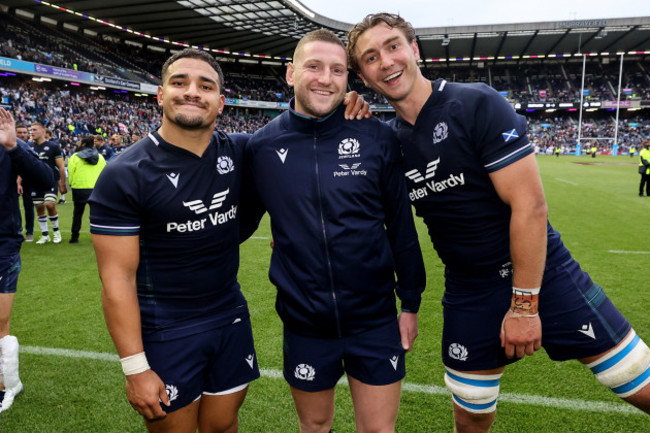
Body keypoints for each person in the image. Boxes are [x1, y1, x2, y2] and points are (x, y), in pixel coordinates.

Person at [347, 13, 650, 433]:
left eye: (393, 46)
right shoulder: (388, 140)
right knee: (470, 415)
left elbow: (530, 207)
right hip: (468, 289)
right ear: (363, 76)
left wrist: (524, 306)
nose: (386, 61)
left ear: (414, 50)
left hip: (544, 275)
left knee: (635, 380)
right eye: (371, 57)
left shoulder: (475, 102)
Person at [242, 29, 426, 433]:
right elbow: (237, 225)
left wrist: (409, 302)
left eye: (337, 70)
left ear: (348, 79)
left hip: (375, 320)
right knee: (316, 427)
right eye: (314, 67)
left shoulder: (377, 136)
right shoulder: (261, 148)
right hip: (306, 324)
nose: (326, 78)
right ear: (291, 73)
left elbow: (400, 225)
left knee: (378, 430)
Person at [89, 48, 261, 433]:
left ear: (221, 100)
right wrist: (135, 368)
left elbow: (301, 133)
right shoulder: (125, 173)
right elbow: (116, 279)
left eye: (205, 85)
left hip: (229, 315)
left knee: (223, 426)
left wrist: (352, 104)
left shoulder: (243, 150)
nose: (192, 92)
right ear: (160, 94)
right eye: (179, 82)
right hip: (165, 327)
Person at [0, 107, 54, 413]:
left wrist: (12, 146)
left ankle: (7, 384)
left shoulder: (8, 143)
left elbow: (46, 178)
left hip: (3, 243)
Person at [29, 121, 66, 244]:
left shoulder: (53, 146)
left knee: (50, 204)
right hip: (35, 182)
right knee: (39, 207)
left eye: (34, 130)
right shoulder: (29, 147)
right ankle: (45, 235)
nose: (31, 132)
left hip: (50, 181)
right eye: (31, 130)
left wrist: (62, 184)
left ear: (43, 132)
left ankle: (56, 232)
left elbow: (61, 166)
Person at [67, 136, 106, 243]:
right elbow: (104, 173)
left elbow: (71, 172)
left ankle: (74, 237)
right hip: (96, 189)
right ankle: (99, 236)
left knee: (78, 214)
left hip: (79, 188)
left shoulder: (75, 156)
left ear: (83, 144)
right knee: (96, 214)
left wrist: (71, 183)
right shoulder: (100, 157)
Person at [15, 123, 34, 242]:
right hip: (12, 181)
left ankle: (30, 232)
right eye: (19, 132)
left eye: (24, 132)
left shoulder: (30, 147)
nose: (22, 135)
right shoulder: (8, 146)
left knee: (29, 207)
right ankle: (17, 228)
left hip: (28, 181)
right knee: (12, 206)